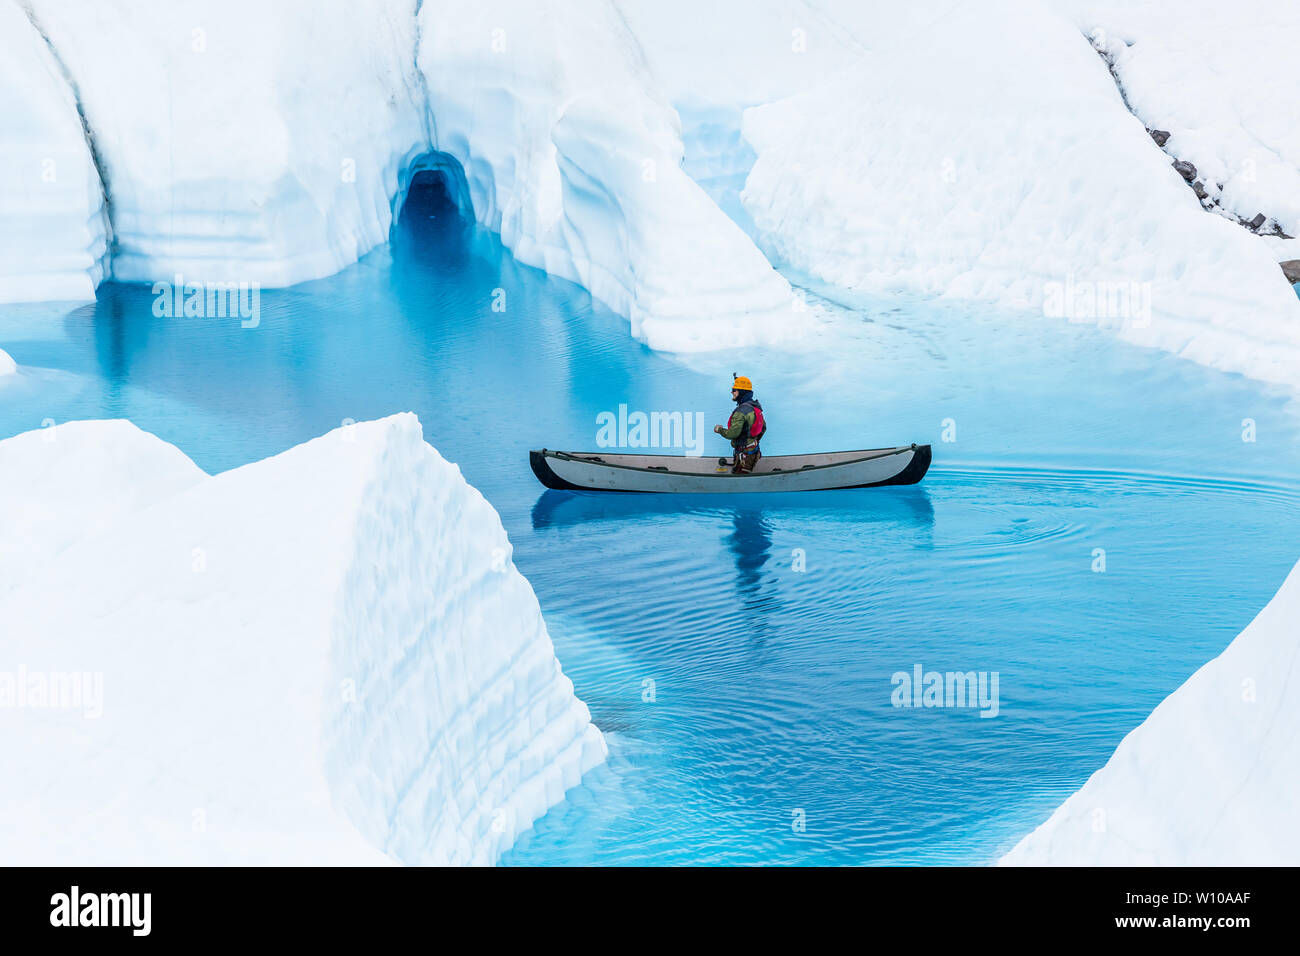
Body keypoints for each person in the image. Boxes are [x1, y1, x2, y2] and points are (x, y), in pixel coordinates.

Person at [714, 374, 766, 474]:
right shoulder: (755, 407)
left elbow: (733, 434)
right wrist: (752, 441)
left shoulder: (740, 412)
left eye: (734, 390)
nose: (731, 392)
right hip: (753, 451)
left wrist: (719, 430)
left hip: (744, 455)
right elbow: (763, 427)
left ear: (741, 392)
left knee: (740, 478)